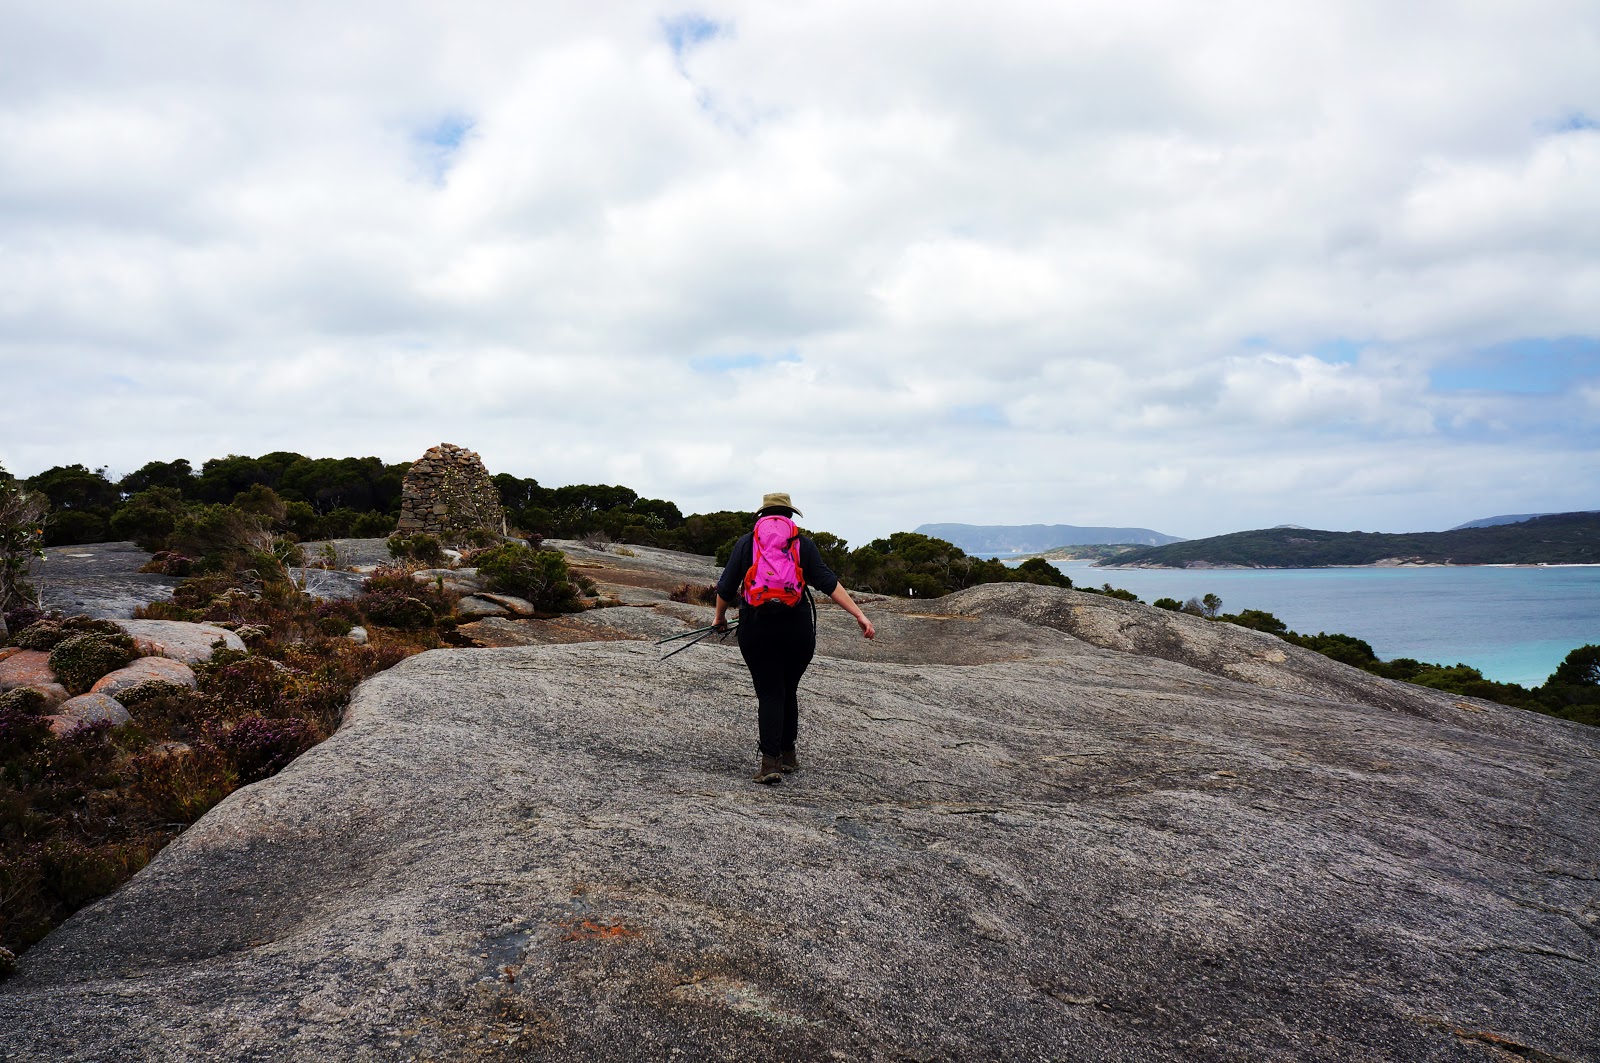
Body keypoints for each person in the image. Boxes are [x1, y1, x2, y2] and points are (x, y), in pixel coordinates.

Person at [714, 492, 875, 784]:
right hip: (797, 628)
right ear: (790, 516)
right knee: (788, 688)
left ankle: (769, 764)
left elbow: (726, 588)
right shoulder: (802, 544)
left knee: (770, 692)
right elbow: (828, 582)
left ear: (762, 516)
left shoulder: (747, 543)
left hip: (757, 626)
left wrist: (719, 618)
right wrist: (859, 615)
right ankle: (788, 755)